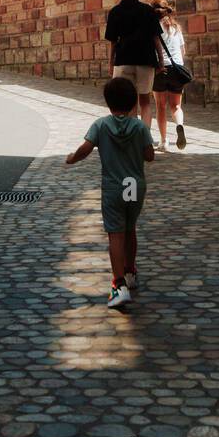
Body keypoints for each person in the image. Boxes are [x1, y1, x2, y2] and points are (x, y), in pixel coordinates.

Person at [65, 75, 154, 310]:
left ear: (107, 103)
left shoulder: (101, 125)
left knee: (115, 234)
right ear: (134, 102)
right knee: (130, 228)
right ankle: (130, 270)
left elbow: (85, 148)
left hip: (114, 188)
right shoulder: (140, 126)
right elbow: (150, 155)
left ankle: (118, 285)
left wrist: (73, 158)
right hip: (134, 185)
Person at [104, 0, 165, 144]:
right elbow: (156, 38)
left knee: (128, 102)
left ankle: (131, 139)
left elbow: (113, 42)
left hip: (123, 60)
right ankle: (144, 139)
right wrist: (161, 61)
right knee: (145, 101)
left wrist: (110, 64)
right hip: (145, 60)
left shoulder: (115, 12)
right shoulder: (147, 10)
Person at [152, 2, 188, 151]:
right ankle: (179, 124)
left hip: (161, 69)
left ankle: (164, 141)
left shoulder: (153, 28)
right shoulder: (176, 28)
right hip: (177, 69)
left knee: (160, 106)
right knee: (176, 105)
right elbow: (183, 51)